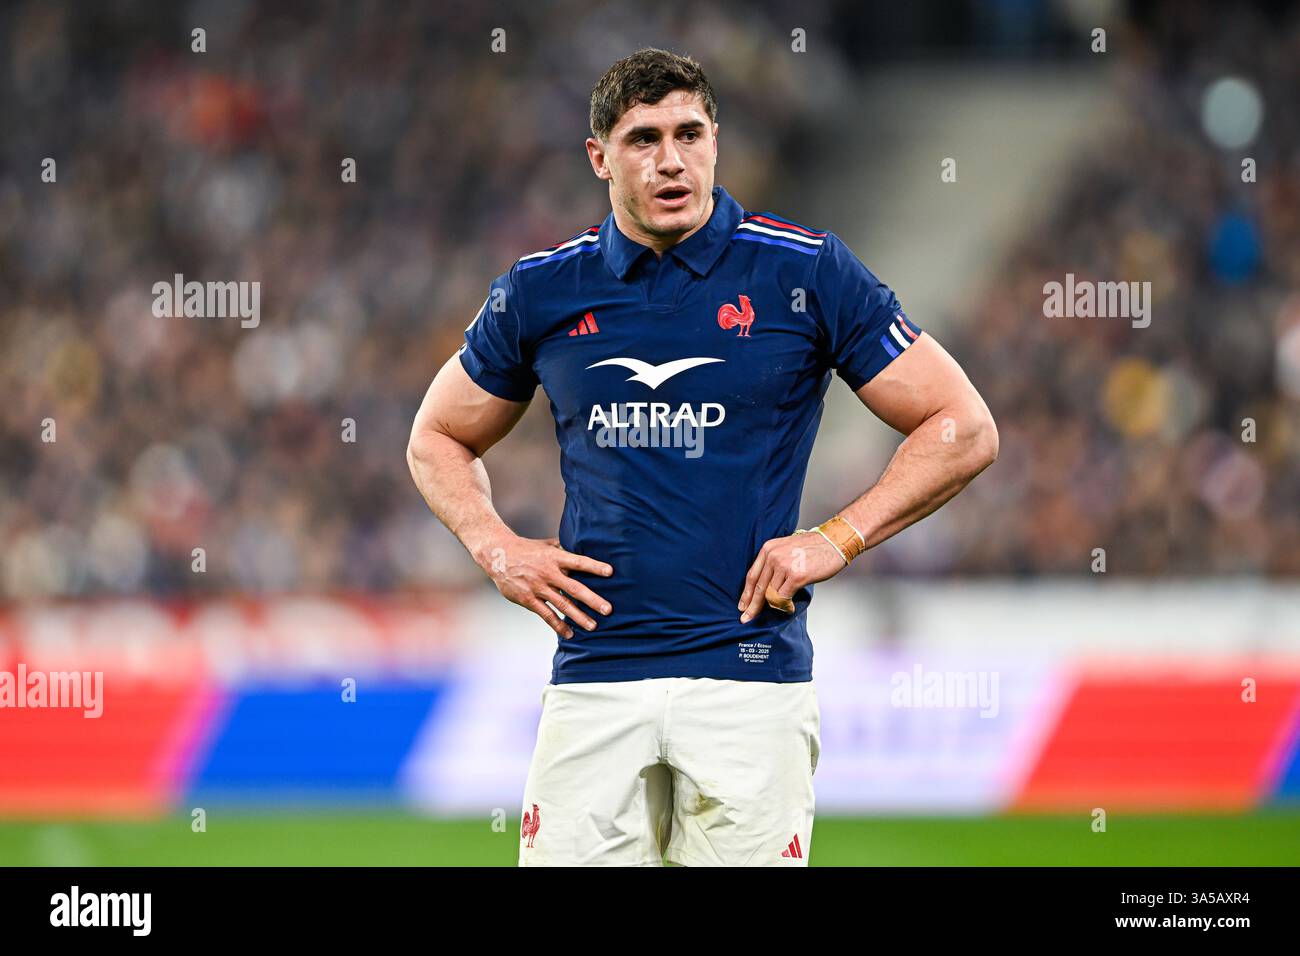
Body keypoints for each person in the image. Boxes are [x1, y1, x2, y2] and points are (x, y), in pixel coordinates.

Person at [406, 48, 997, 866]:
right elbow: (436, 437)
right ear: (599, 157)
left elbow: (961, 426)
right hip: (595, 676)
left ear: (717, 139)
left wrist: (834, 538)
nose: (672, 159)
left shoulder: (806, 270)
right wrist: (494, 547)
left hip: (748, 679)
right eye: (643, 138)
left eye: (690, 132)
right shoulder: (541, 291)